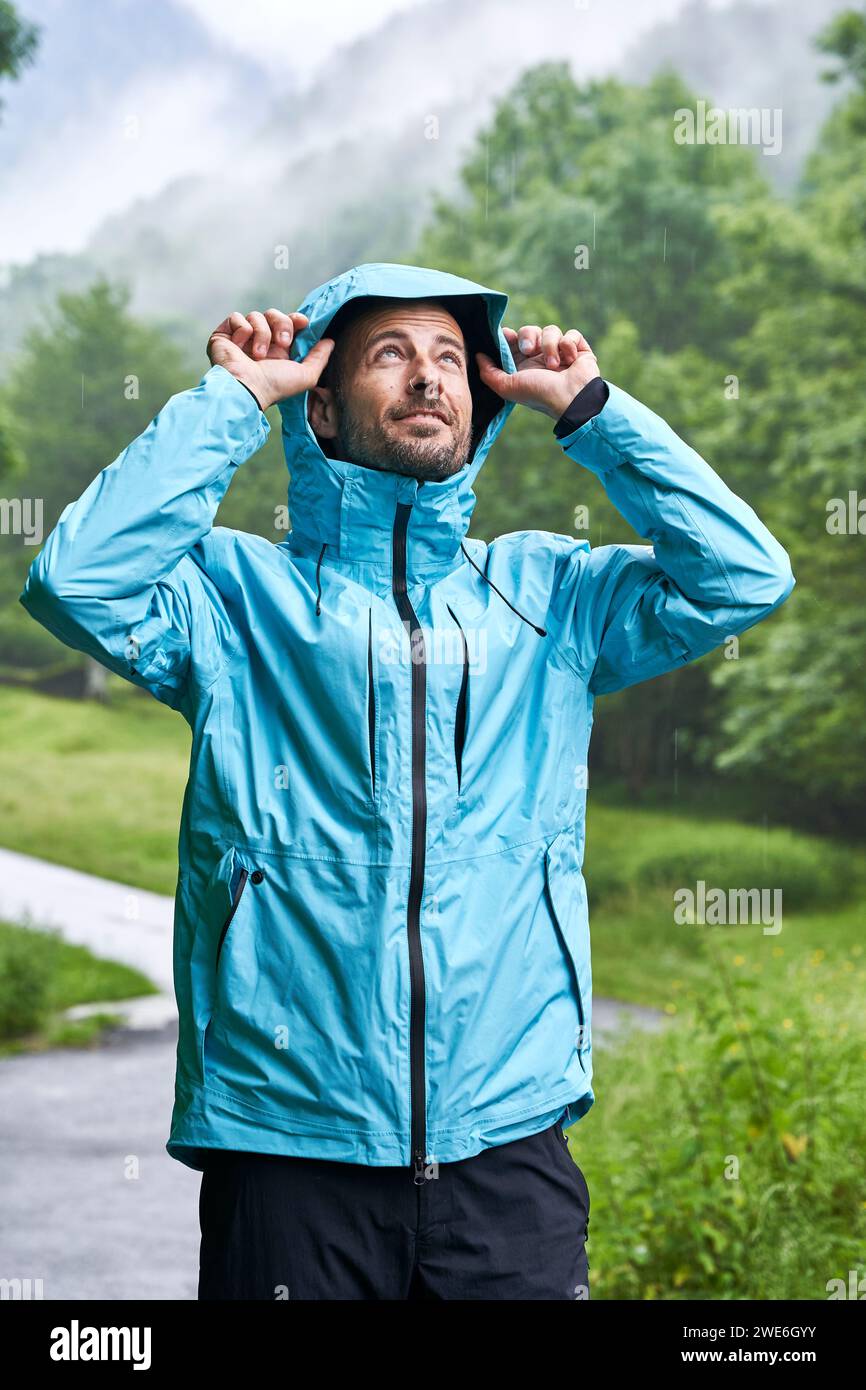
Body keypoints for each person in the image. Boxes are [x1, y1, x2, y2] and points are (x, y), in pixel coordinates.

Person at [20, 262, 795, 1300]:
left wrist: (595, 415)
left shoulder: (547, 594)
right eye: (389, 354)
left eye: (446, 358)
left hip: (505, 1148)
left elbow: (744, 576)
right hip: (291, 1144)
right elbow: (73, 581)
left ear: (479, 406)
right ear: (324, 403)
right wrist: (232, 400)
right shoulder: (234, 598)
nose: (427, 377)